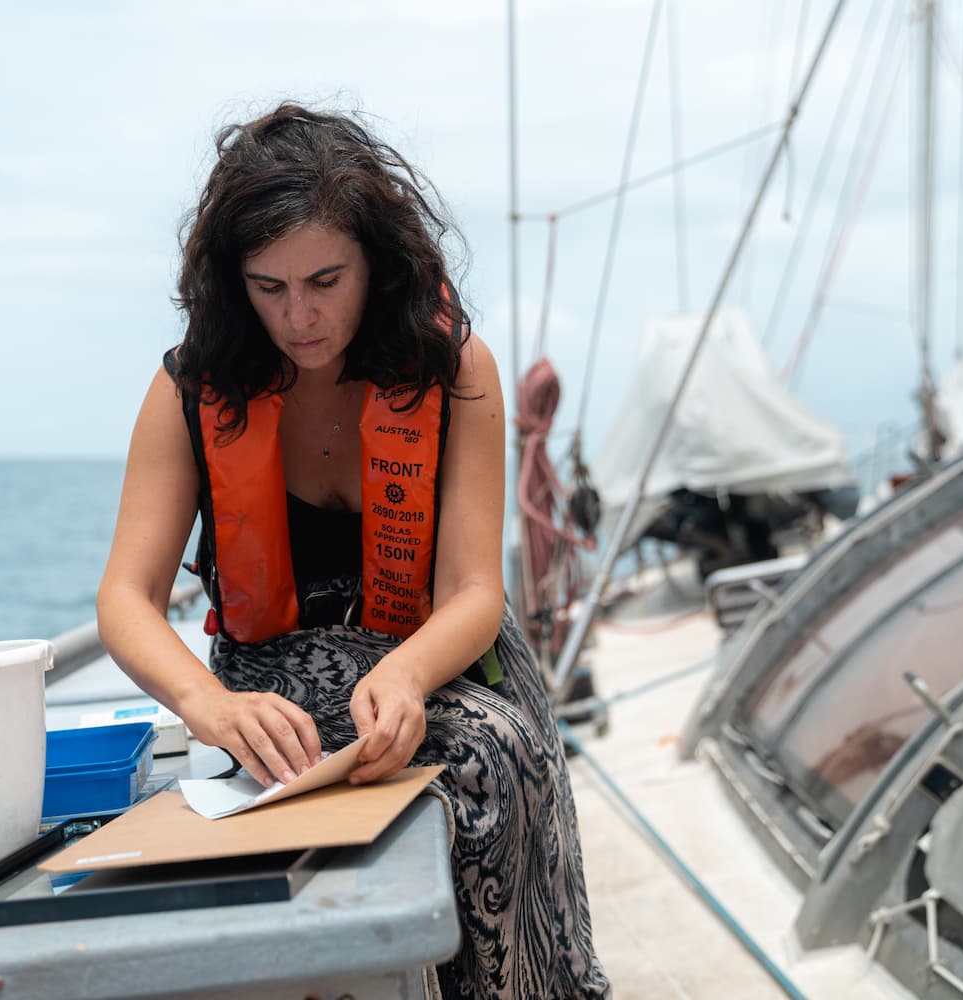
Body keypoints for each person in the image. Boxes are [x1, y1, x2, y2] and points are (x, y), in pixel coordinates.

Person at [96, 102, 610, 1000]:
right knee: (473, 761)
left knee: (505, 751)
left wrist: (408, 677)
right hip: (274, 686)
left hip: (439, 660)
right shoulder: (190, 387)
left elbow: (473, 592)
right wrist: (208, 708)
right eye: (268, 287)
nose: (299, 316)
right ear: (233, 281)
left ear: (377, 260)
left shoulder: (456, 371)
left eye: (326, 280)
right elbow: (125, 601)